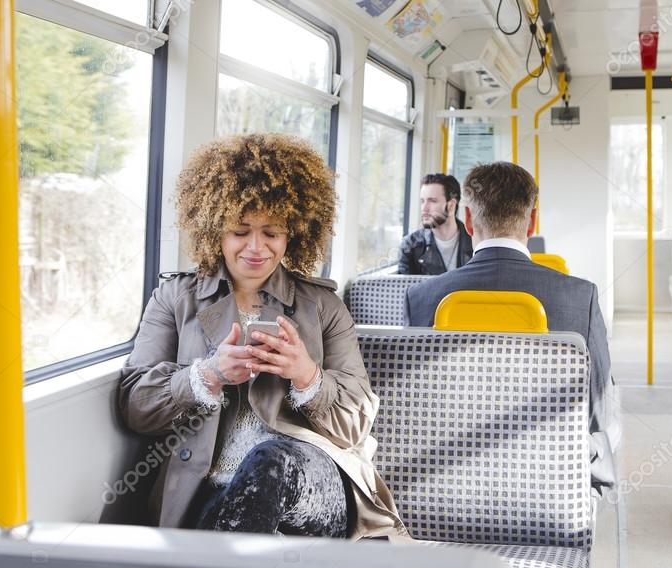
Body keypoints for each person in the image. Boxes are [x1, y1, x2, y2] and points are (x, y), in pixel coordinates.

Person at [118, 133, 406, 539]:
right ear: (214, 229)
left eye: (272, 232)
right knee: (237, 512)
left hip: (311, 481)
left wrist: (308, 376)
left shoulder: (324, 306)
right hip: (210, 487)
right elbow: (136, 405)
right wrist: (207, 375)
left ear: (292, 234)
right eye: (240, 230)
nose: (256, 247)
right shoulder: (174, 299)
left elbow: (353, 427)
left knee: (271, 460)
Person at [403, 161, 615, 490]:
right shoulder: (580, 298)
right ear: (532, 222)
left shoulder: (421, 298)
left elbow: (414, 404)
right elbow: (600, 408)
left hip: (447, 481)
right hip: (548, 484)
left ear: (469, 221)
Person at [397, 173, 473, 275]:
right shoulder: (410, 246)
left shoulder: (475, 243)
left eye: (432, 201)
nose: (424, 208)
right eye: (422, 201)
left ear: (451, 206)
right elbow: (405, 289)